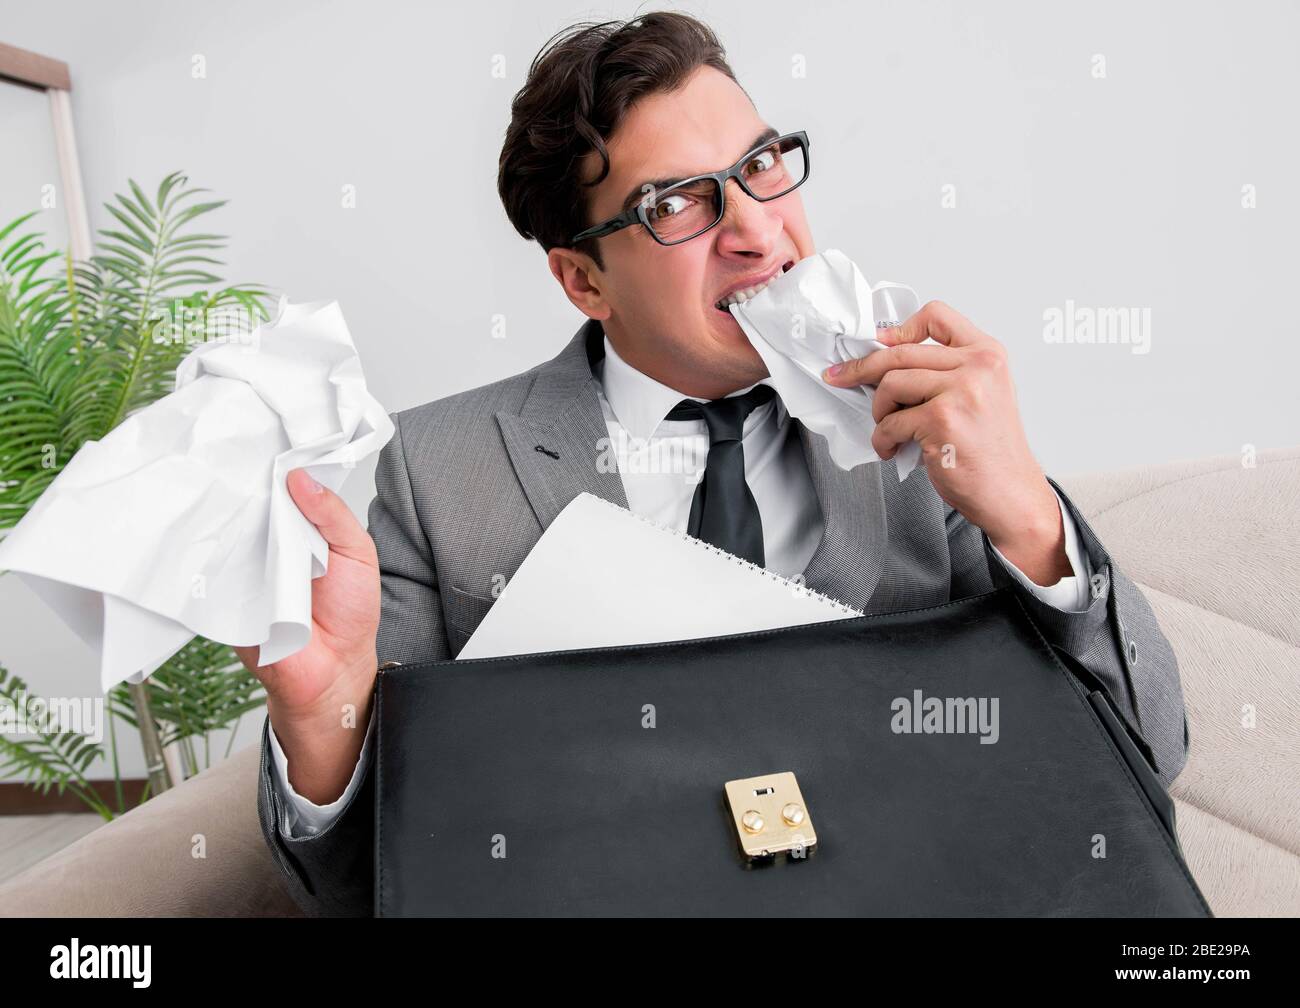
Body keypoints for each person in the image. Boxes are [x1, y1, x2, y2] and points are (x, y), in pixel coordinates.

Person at [241, 12, 1188, 917]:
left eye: (761, 164)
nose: (755, 229)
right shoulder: (441, 473)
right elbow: (370, 890)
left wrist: (1027, 512)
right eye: (676, 201)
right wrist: (323, 721)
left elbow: (1152, 750)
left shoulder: (922, 425)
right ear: (583, 279)